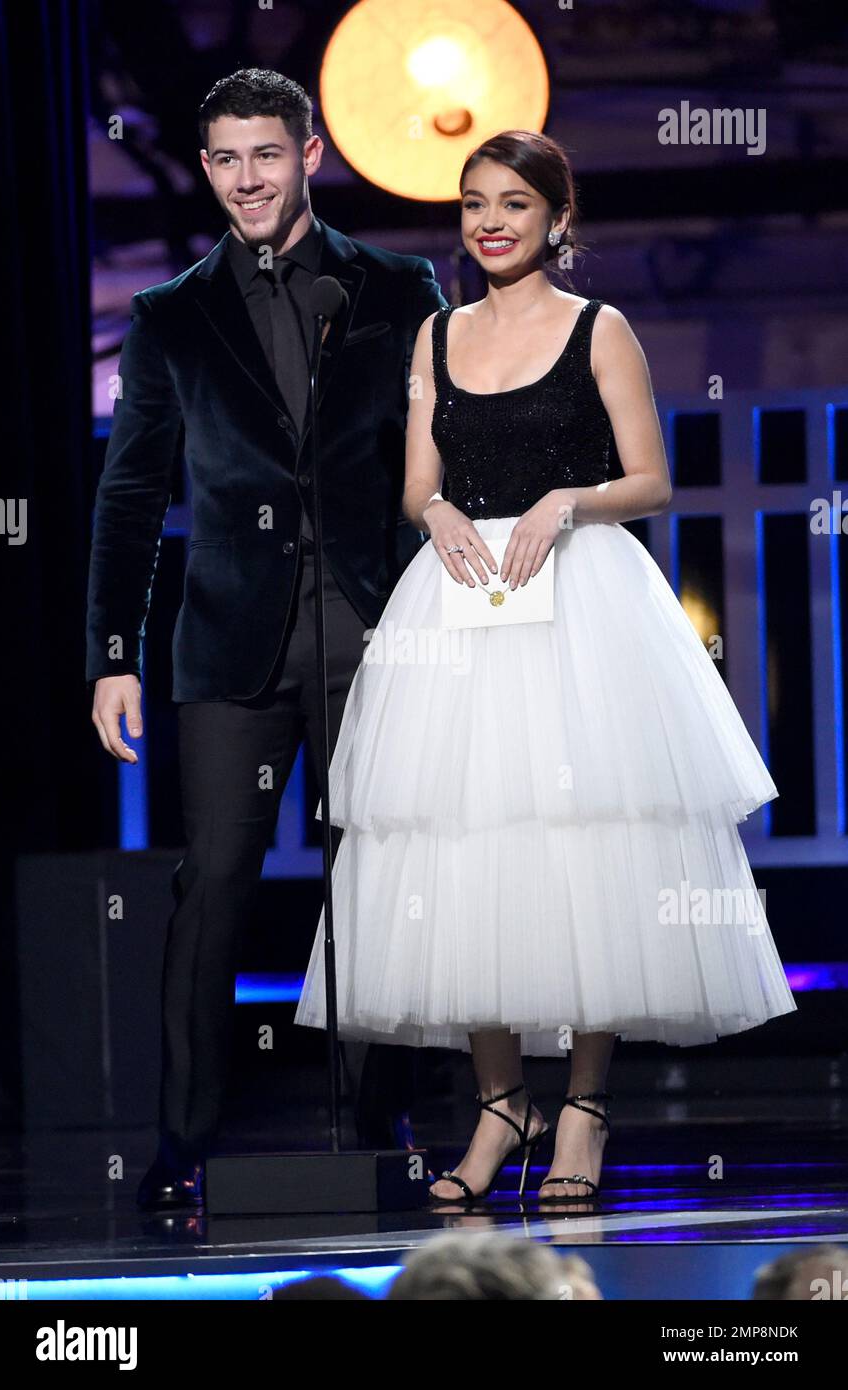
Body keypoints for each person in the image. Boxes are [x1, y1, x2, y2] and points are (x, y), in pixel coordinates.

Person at [294, 129, 797, 1205]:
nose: (490, 221)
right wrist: (429, 509)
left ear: (557, 220)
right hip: (465, 600)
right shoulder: (436, 335)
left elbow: (651, 478)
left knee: (586, 851)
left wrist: (569, 499)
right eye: (475, 202)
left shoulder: (598, 329)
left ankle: (581, 1109)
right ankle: (496, 1105)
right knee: (464, 849)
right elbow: (415, 481)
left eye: (515, 203)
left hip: (578, 597)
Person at [86, 68, 446, 1209]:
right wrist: (111, 652)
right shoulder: (168, 316)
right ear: (208, 171)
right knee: (217, 885)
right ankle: (182, 1142)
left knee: (379, 878)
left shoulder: (396, 286)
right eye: (226, 160)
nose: (248, 178)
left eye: (267, 154)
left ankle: (382, 1123)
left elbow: (442, 455)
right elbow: (130, 491)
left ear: (311, 154)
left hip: (371, 631)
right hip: (231, 643)